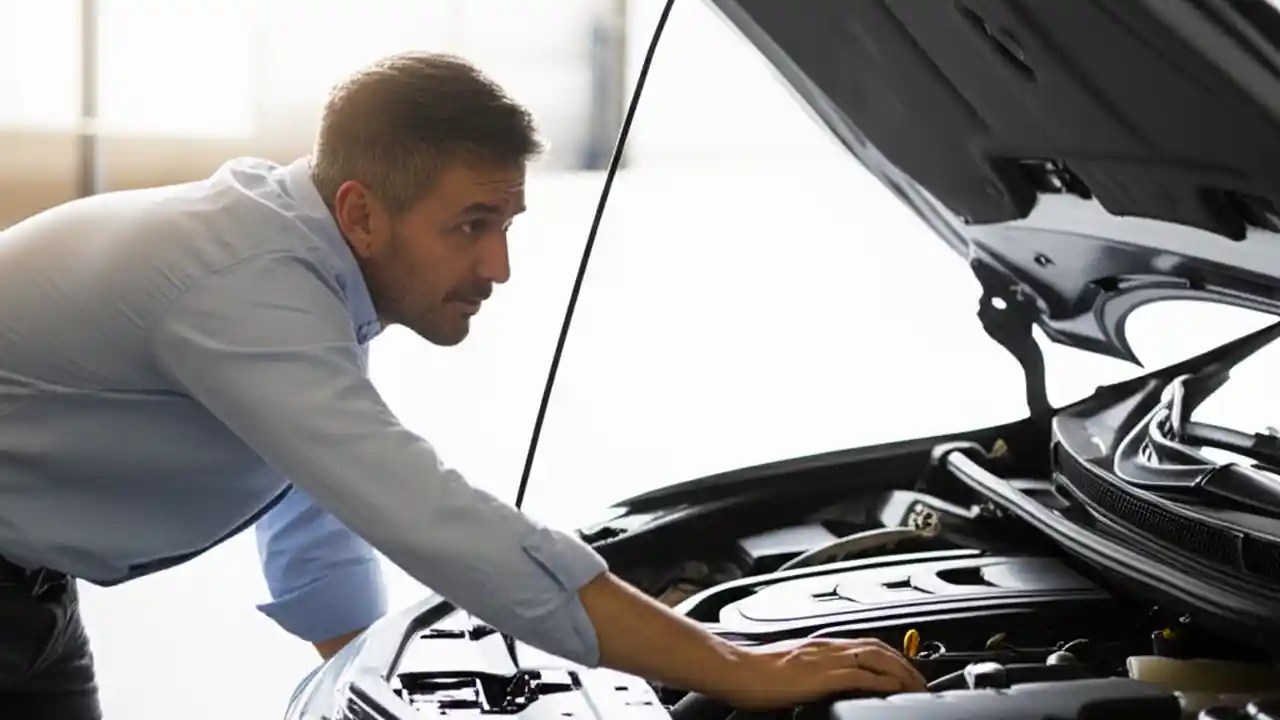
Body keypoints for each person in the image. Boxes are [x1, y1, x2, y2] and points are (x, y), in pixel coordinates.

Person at [0, 52, 926, 718]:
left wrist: (356, 670)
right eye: (472, 224)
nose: (500, 265)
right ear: (361, 210)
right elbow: (431, 515)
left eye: (509, 222)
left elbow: (311, 503)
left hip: (31, 594)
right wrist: (742, 667)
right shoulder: (240, 280)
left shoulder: (291, 263)